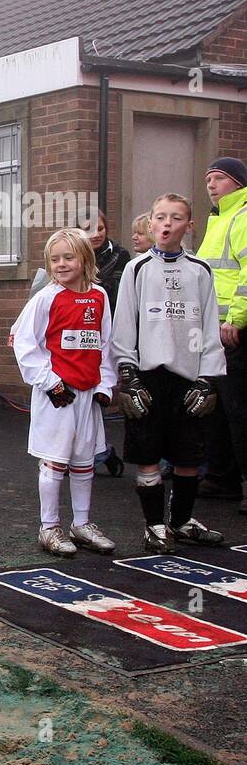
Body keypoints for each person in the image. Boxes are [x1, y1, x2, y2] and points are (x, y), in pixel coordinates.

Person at [111, 193, 226, 551]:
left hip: (188, 377)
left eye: (175, 218)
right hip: (148, 376)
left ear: (188, 227)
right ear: (150, 223)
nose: (166, 224)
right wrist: (127, 374)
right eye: (159, 217)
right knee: (147, 454)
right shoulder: (137, 268)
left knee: (188, 456)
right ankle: (155, 525)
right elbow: (125, 325)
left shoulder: (200, 270)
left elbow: (209, 326)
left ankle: (181, 521)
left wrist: (208, 379)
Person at [11, 228, 117, 557]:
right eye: (54, 259)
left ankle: (82, 523)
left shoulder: (99, 296)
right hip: (58, 394)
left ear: (85, 259)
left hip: (86, 394)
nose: (60, 264)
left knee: (84, 460)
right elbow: (25, 343)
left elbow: (105, 345)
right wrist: (50, 382)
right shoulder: (45, 298)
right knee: (55, 461)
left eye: (68, 257)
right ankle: (49, 526)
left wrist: (105, 384)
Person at [194, 157, 247, 509]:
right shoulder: (218, 220)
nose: (211, 185)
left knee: (240, 409)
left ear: (238, 183)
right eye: (208, 179)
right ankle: (221, 476)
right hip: (214, 329)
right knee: (217, 411)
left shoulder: (242, 217)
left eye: (219, 178)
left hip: (234, 330)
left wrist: (237, 320)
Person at [86, 210, 129, 478]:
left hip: (107, 330)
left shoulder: (119, 255)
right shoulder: (72, 255)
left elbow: (121, 294)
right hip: (78, 333)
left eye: (101, 227)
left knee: (95, 396)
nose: (96, 233)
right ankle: (97, 453)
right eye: (90, 228)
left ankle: (98, 452)